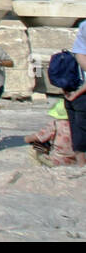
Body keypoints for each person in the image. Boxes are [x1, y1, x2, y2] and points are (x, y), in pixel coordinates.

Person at [61, 20, 86, 166]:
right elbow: (80, 53)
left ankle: (81, 164)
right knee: (79, 128)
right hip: (77, 93)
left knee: (79, 129)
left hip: (76, 93)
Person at [25, 99, 76, 167]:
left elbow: (39, 136)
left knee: (36, 147)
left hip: (58, 160)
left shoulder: (55, 124)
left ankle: (39, 166)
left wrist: (27, 138)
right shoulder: (80, 124)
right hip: (79, 158)